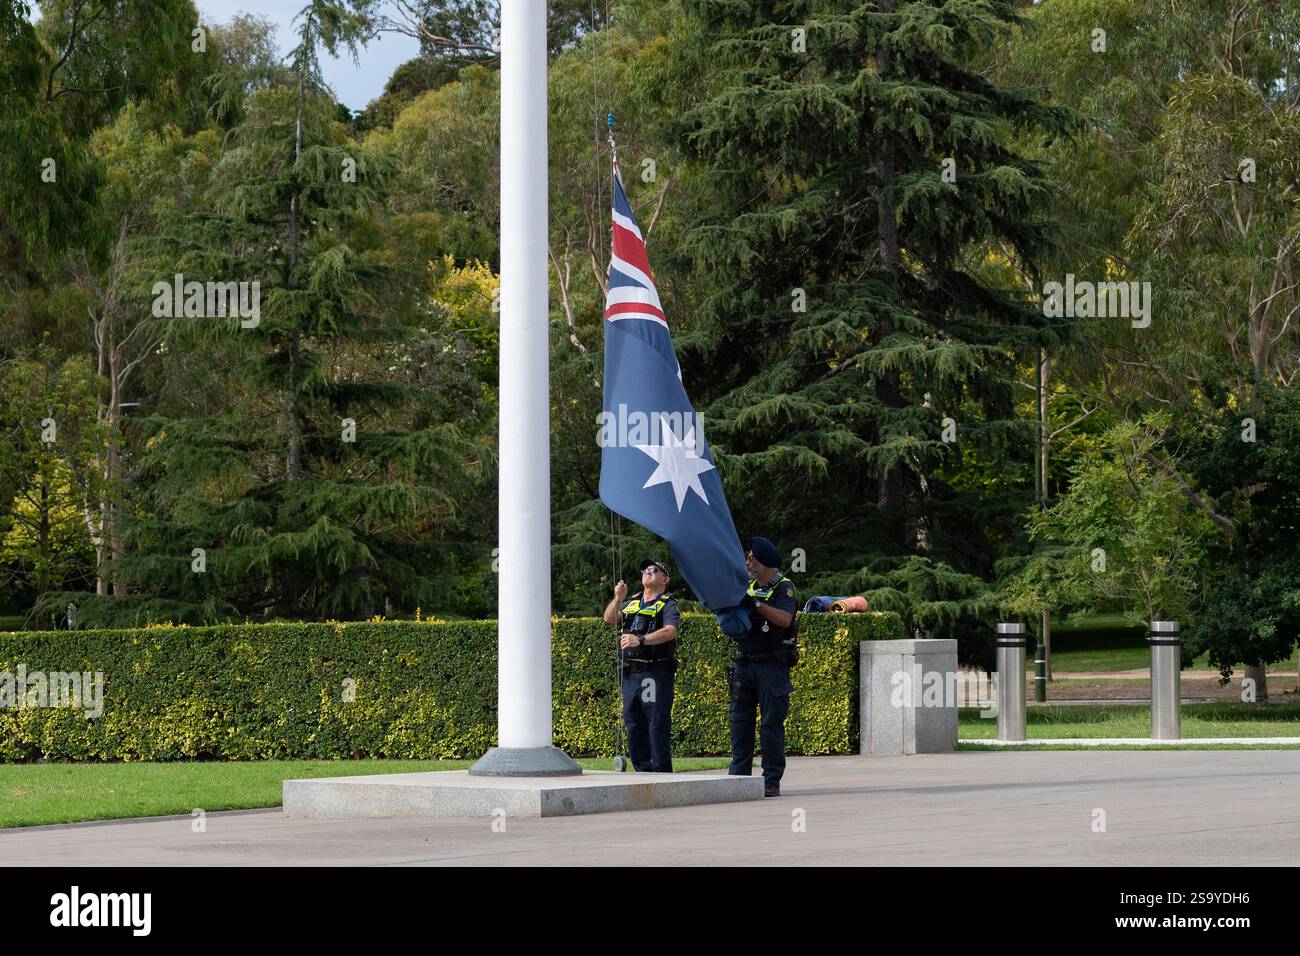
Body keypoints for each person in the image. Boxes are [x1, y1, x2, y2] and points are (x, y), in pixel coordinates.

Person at [727, 536, 798, 797]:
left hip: (772, 664)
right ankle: (738, 778)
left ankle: (771, 780)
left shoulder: (783, 586)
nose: (747, 562)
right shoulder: (745, 586)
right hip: (746, 663)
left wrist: (756, 605)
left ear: (765, 563)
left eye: (752, 558)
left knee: (770, 723)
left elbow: (783, 618)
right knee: (740, 721)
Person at [602, 558, 680, 772]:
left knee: (655, 724)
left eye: (653, 569)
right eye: (645, 569)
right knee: (633, 722)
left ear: (665, 579)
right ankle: (642, 772)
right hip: (630, 674)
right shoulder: (633, 601)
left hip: (653, 672)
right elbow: (609, 618)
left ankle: (662, 774)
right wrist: (618, 598)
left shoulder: (667, 604)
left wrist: (641, 639)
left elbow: (671, 631)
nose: (647, 571)